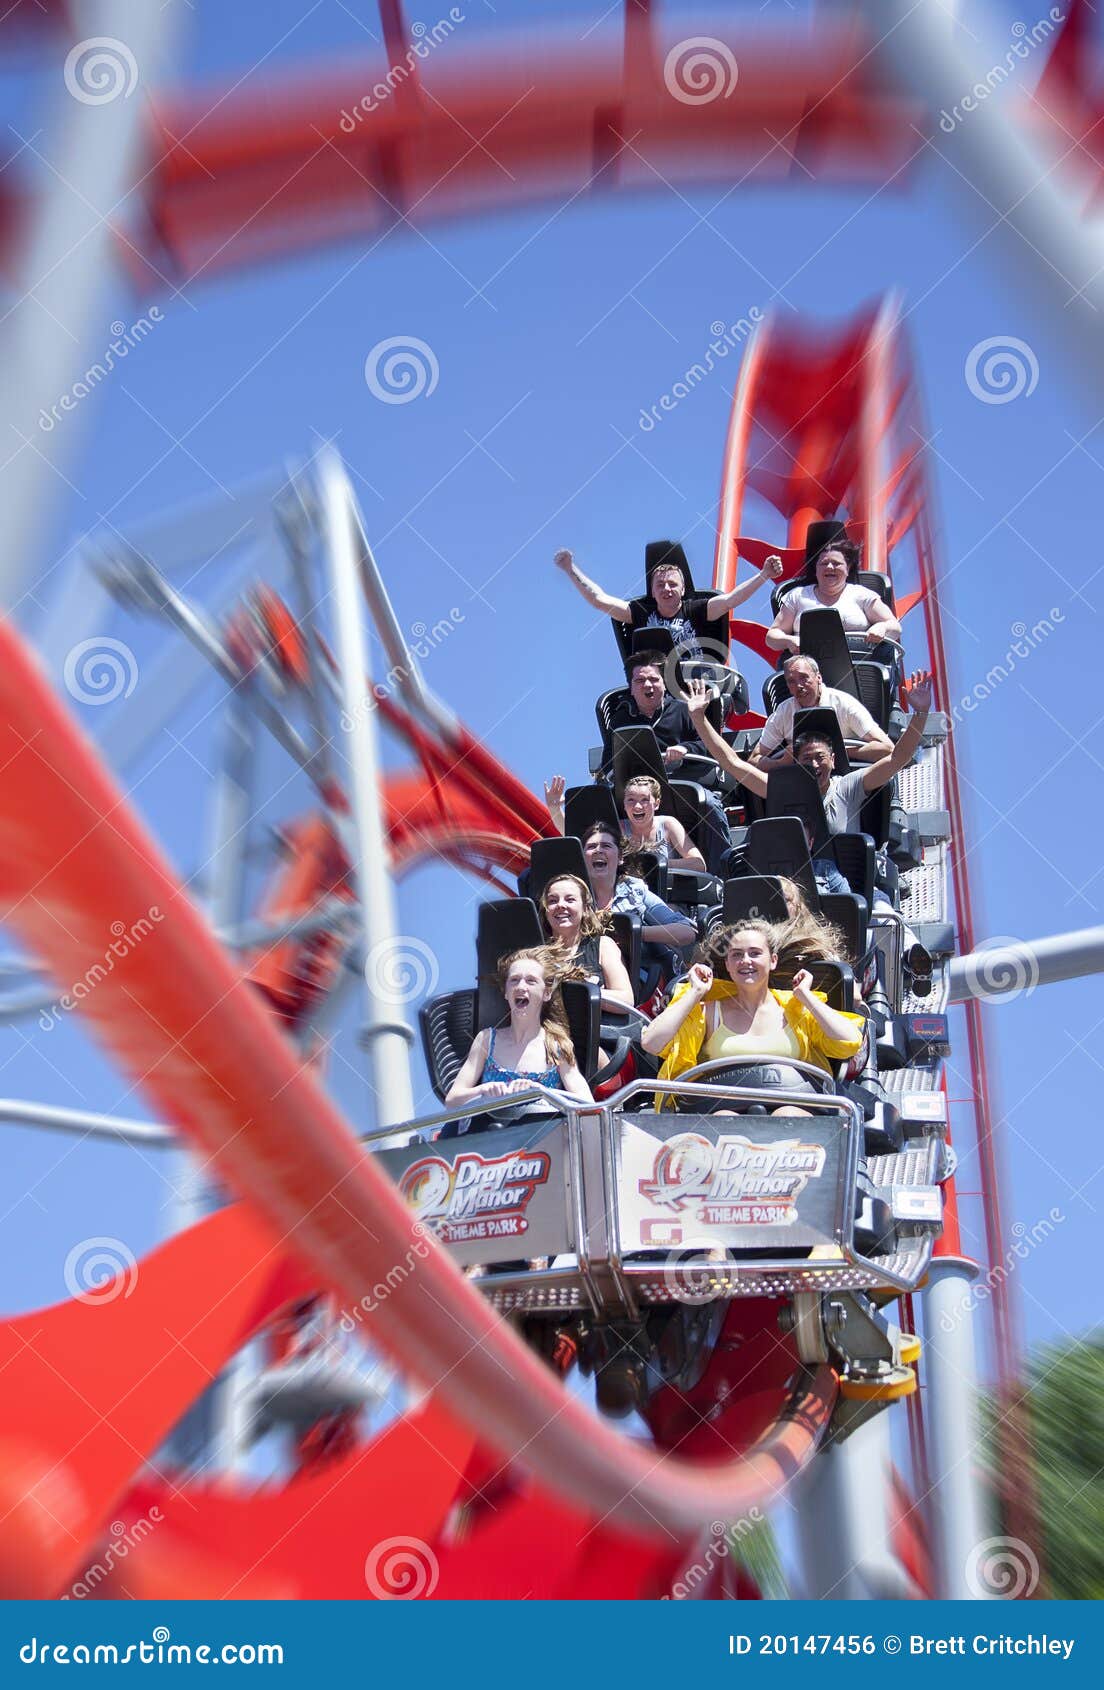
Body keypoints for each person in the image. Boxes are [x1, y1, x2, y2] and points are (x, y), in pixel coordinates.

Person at [640, 921, 864, 1114]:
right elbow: (651, 1043)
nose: (745, 961)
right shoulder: (705, 1011)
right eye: (737, 955)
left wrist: (806, 996)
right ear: (727, 965)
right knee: (726, 1118)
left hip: (793, 1112)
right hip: (722, 1116)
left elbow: (849, 1043)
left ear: (773, 960)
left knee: (787, 1116)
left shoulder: (796, 1009)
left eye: (755, 953)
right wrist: (694, 992)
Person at [684, 672, 933, 839]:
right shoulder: (784, 790)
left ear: (833, 760)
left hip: (839, 876)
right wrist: (699, 719)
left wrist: (920, 714)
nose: (814, 764)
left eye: (820, 758)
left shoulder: (849, 785)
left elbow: (896, 758)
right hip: (796, 879)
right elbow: (732, 762)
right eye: (806, 759)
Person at [554, 540, 782, 661]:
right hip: (657, 679)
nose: (666, 589)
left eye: (672, 584)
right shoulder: (640, 613)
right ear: (652, 592)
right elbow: (599, 600)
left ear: (683, 589)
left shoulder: (697, 610)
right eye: (660, 585)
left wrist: (763, 575)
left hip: (692, 678)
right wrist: (570, 569)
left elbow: (731, 600)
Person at [445, 947, 593, 1125]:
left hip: (543, 1142)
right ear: (506, 992)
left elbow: (587, 1103)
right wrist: (483, 1091)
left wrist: (542, 1092)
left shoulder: (556, 1044)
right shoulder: (486, 1039)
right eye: (514, 980)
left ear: (546, 993)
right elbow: (452, 1101)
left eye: (531, 981)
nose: (521, 986)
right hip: (494, 1139)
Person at [765, 530, 902, 656]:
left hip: (856, 663)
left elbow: (895, 626)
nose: (830, 567)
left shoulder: (862, 594)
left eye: (836, 563)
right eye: (824, 564)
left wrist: (882, 627)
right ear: (816, 569)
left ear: (848, 569)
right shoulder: (797, 595)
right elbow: (772, 636)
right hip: (808, 666)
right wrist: (789, 640)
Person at [544, 773, 706, 873]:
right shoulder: (618, 828)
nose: (637, 806)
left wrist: (654, 865)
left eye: (644, 800)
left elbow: (699, 864)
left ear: (656, 804)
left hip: (667, 894)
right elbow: (579, 839)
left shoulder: (668, 824)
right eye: (631, 800)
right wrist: (555, 809)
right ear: (624, 805)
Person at [752, 654, 892, 766]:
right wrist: (781, 762)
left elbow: (887, 748)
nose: (799, 686)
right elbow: (753, 761)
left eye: (804, 677)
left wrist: (838, 750)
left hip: (847, 777)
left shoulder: (844, 703)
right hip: (801, 782)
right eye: (791, 681)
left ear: (818, 677)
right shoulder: (783, 712)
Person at [539, 873, 634, 1009]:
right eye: (553, 901)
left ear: (584, 908)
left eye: (570, 900)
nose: (560, 905)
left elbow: (626, 1000)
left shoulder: (603, 946)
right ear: (546, 910)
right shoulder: (536, 953)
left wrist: (576, 993)